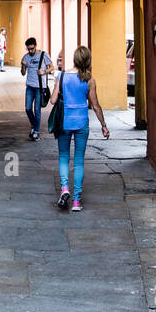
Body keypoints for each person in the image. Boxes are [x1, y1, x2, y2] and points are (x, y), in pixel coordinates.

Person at [48, 44, 110, 211]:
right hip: (82, 122)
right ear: (88, 61)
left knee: (63, 156)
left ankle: (65, 188)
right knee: (79, 161)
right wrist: (104, 125)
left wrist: (57, 88)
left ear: (74, 59)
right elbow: (95, 106)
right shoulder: (89, 80)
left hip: (64, 122)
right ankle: (76, 201)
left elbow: (53, 101)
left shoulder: (61, 76)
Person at [20, 36, 50, 139]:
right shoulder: (26, 57)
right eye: (28, 49)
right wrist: (23, 65)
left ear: (35, 46)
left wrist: (44, 71)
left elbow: (52, 67)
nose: (30, 51)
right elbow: (23, 73)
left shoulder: (43, 55)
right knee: (28, 108)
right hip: (30, 86)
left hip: (39, 87)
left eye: (32, 48)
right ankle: (34, 125)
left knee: (37, 109)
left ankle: (36, 131)